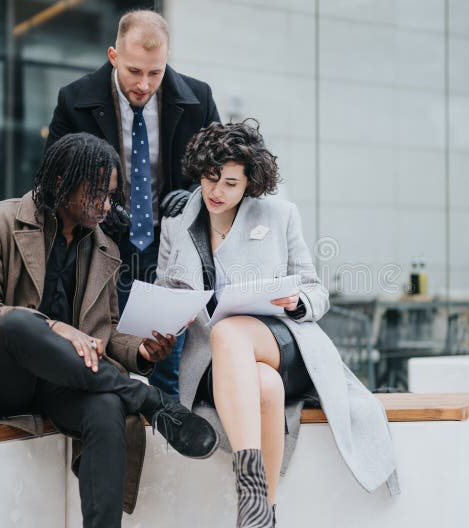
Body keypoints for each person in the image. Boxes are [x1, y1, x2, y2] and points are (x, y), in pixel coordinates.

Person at [0, 133, 218, 528]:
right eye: (95, 195)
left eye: (110, 195)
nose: (106, 206)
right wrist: (54, 326)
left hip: (67, 383)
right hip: (1, 380)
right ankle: (147, 399)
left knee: (107, 409)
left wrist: (142, 351)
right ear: (60, 182)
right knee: (19, 323)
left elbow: (105, 331)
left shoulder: (105, 247)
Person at [156, 121, 400, 527]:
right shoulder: (175, 227)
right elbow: (169, 294)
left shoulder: (280, 215)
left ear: (250, 183)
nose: (217, 191)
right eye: (210, 178)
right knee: (263, 387)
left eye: (230, 183)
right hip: (221, 365)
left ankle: (246, 487)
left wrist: (298, 302)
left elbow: (316, 291)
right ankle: (262, 512)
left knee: (230, 331)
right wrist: (169, 318)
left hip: (284, 345)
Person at [45, 9, 221, 394]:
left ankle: (164, 438)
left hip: (170, 249)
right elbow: (51, 179)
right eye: (133, 71)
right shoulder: (74, 101)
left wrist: (193, 197)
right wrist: (94, 204)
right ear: (113, 56)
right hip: (102, 246)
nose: (144, 84)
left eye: (155, 72)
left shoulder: (198, 98)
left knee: (166, 360)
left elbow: (220, 174)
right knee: (106, 355)